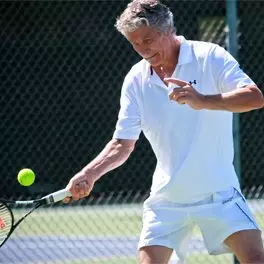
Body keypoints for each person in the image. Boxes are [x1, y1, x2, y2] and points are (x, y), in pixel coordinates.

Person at [63, 0, 264, 263]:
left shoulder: (210, 56)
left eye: (148, 39)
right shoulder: (135, 80)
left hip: (220, 193)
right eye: (135, 43)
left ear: (168, 30)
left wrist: (203, 100)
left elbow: (255, 97)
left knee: (256, 258)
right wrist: (89, 173)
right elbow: (122, 144)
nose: (142, 49)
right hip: (167, 200)